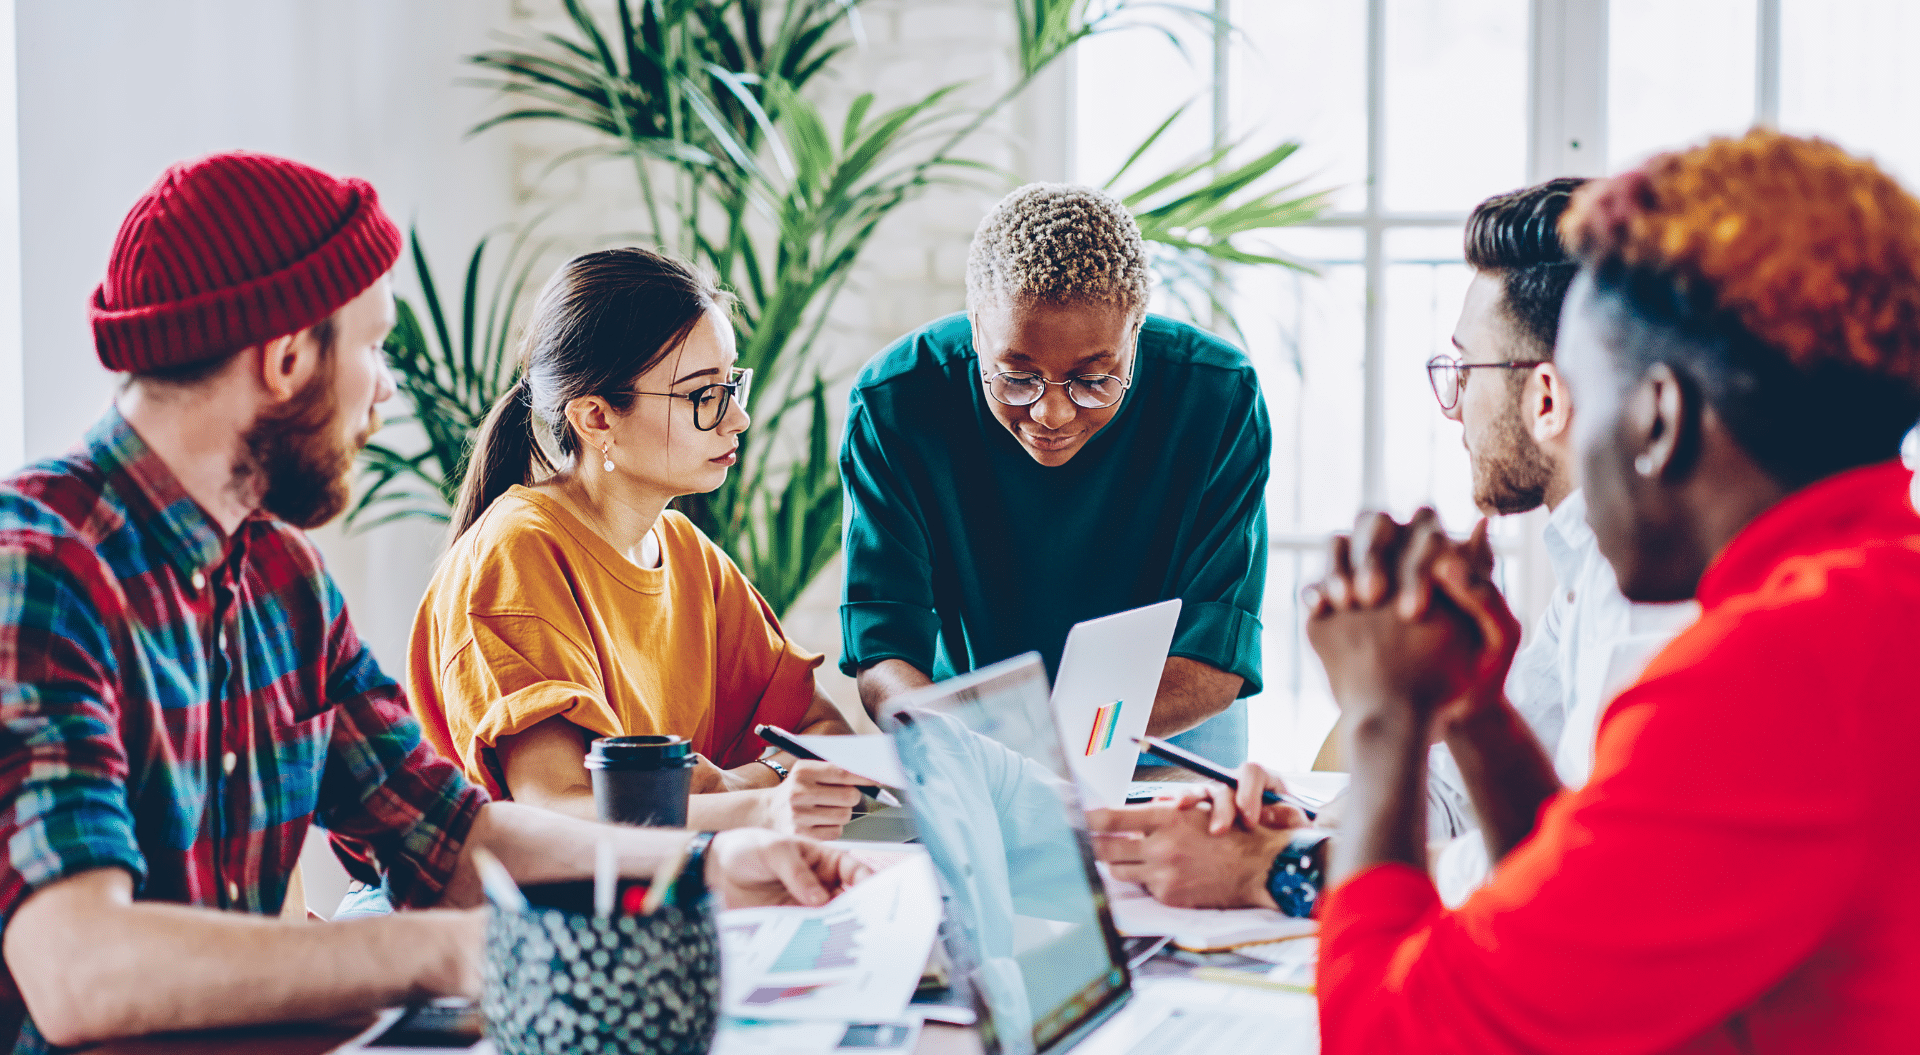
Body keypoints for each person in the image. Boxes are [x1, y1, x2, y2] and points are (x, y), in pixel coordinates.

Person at [0, 152, 864, 1054]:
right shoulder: (41, 571)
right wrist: (450, 952)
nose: (385, 387)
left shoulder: (282, 580)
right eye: (372, 346)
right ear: (288, 356)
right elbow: (80, 974)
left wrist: (714, 864)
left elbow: (454, 840)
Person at [1311, 131, 1920, 1052]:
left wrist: (1384, 716)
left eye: (1584, 398)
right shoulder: (1871, 594)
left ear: (1658, 418)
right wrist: (1477, 711)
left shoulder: (1773, 672)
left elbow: (1384, 1032)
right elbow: (1602, 933)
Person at [1090, 178, 1694, 909]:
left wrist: (1276, 872)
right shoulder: (1589, 571)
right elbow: (1461, 801)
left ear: (1544, 396)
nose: (1453, 409)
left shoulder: (1652, 611)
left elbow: (1594, 887)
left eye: (1465, 371)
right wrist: (1306, 831)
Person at [408, 248, 875, 841]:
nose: (737, 420)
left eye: (732, 385)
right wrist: (762, 802)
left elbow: (827, 737)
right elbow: (552, 813)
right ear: (597, 418)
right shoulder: (518, 552)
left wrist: (741, 783)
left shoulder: (686, 552)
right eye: (704, 396)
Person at [841, 183, 1271, 766]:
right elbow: (883, 643)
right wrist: (962, 741)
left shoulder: (1217, 395)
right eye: (1016, 376)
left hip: (1169, 722)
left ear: (1135, 331)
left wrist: (1047, 743)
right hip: (974, 727)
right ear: (975, 328)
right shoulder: (897, 401)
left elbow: (1216, 653)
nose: (1053, 413)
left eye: (1095, 380)